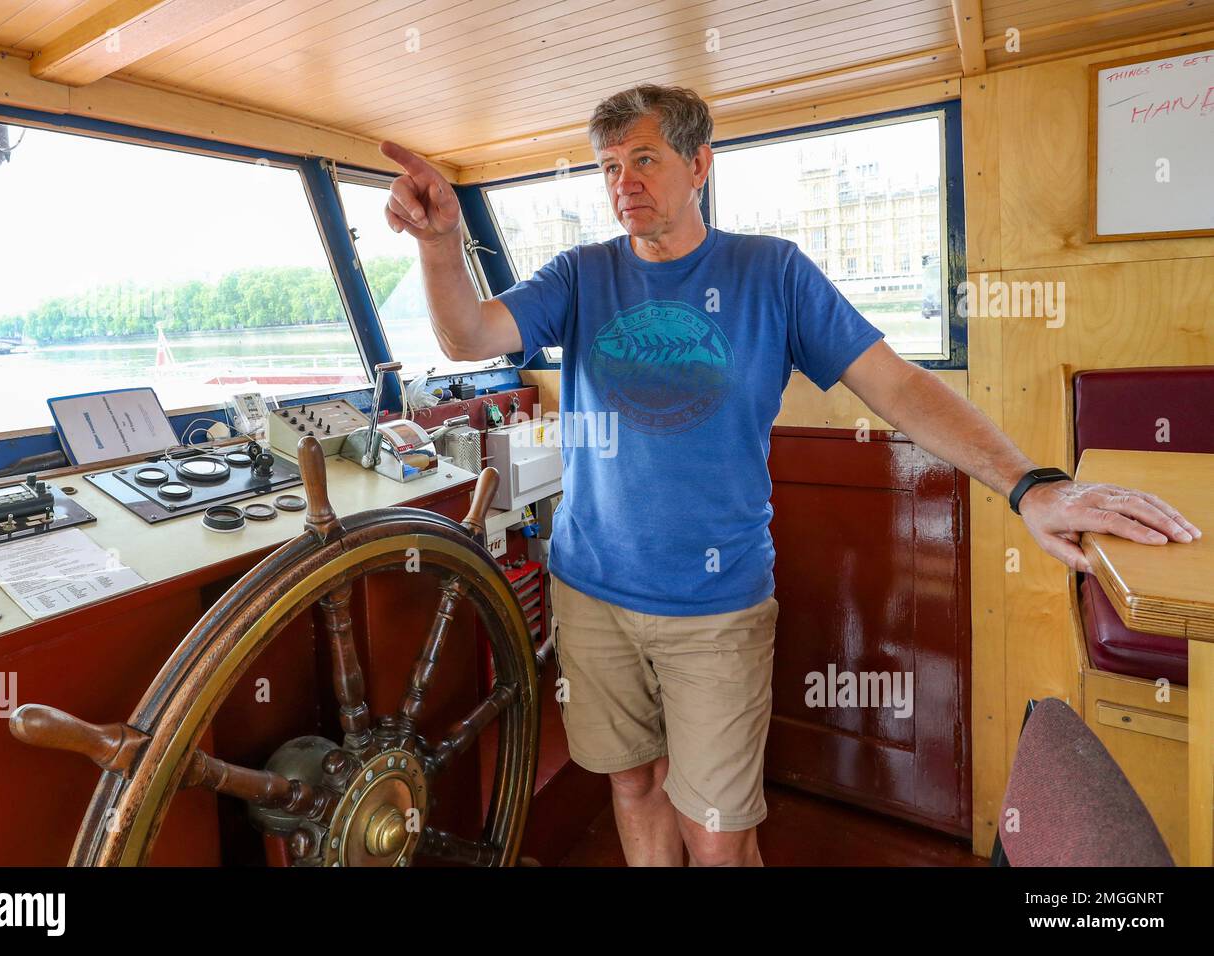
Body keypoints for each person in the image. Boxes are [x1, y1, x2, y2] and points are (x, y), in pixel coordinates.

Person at [377, 84, 1200, 867]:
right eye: (607, 167)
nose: (622, 183)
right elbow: (466, 335)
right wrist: (443, 243)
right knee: (632, 783)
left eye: (645, 159)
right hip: (591, 591)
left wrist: (1033, 485)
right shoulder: (580, 274)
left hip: (717, 606)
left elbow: (901, 386)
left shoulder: (772, 273)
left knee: (718, 835)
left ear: (700, 165)